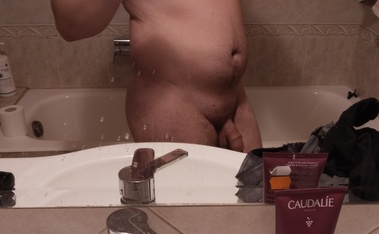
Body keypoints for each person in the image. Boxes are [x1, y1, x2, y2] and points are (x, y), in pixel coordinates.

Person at [51, 0, 262, 152]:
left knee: (259, 199)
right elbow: (70, 25)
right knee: (188, 203)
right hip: (173, 102)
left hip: (235, 99)